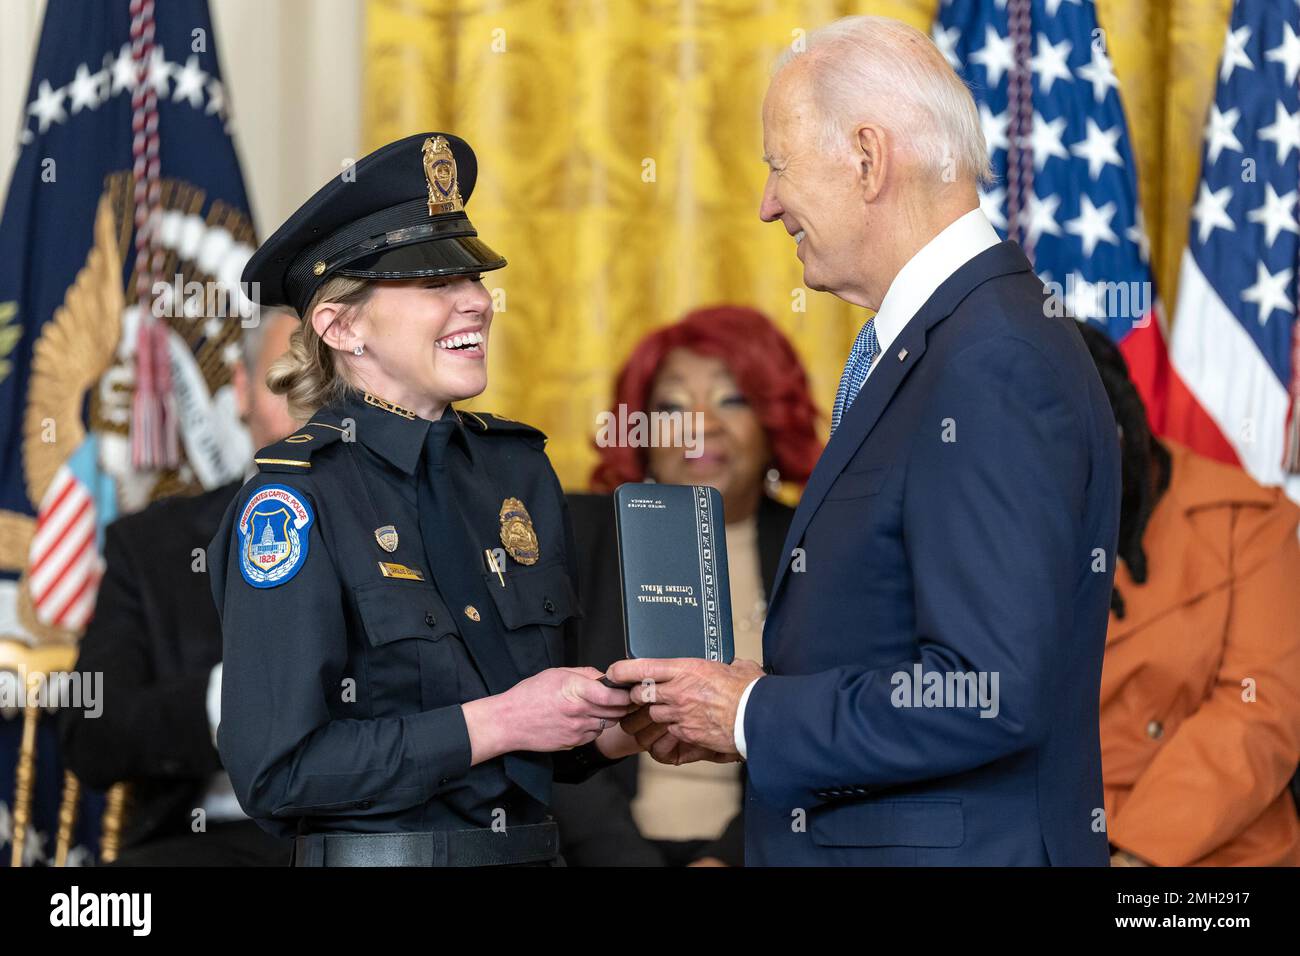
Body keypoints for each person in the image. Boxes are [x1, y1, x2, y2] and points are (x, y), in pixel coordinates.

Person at [609, 16, 1121, 866]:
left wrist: (747, 715)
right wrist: (746, 703)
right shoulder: (958, 336)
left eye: (778, 166)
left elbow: (985, 690)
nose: (766, 203)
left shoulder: (989, 358)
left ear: (868, 158)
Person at [209, 132, 643, 867]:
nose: (476, 301)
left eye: (474, 278)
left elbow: (539, 751)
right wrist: (500, 721)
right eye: (435, 283)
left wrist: (622, 726)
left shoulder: (516, 471)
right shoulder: (294, 500)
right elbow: (278, 772)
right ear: (340, 326)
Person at [553, 306, 820, 867]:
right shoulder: (576, 533)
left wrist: (726, 859)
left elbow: (825, 732)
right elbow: (549, 732)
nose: (700, 424)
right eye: (671, 407)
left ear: (773, 421)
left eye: (732, 400)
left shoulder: (818, 546)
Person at [60, 307, 301, 865]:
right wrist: (227, 701)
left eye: (330, 384)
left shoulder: (406, 527)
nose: (309, 403)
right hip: (207, 844)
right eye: (287, 380)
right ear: (241, 389)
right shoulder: (151, 547)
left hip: (376, 837)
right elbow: (91, 729)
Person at [1076, 323, 1300, 867]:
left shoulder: (1245, 521)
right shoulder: (989, 522)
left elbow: (1259, 711)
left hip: (1214, 850)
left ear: (1123, 430)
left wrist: (1138, 855)